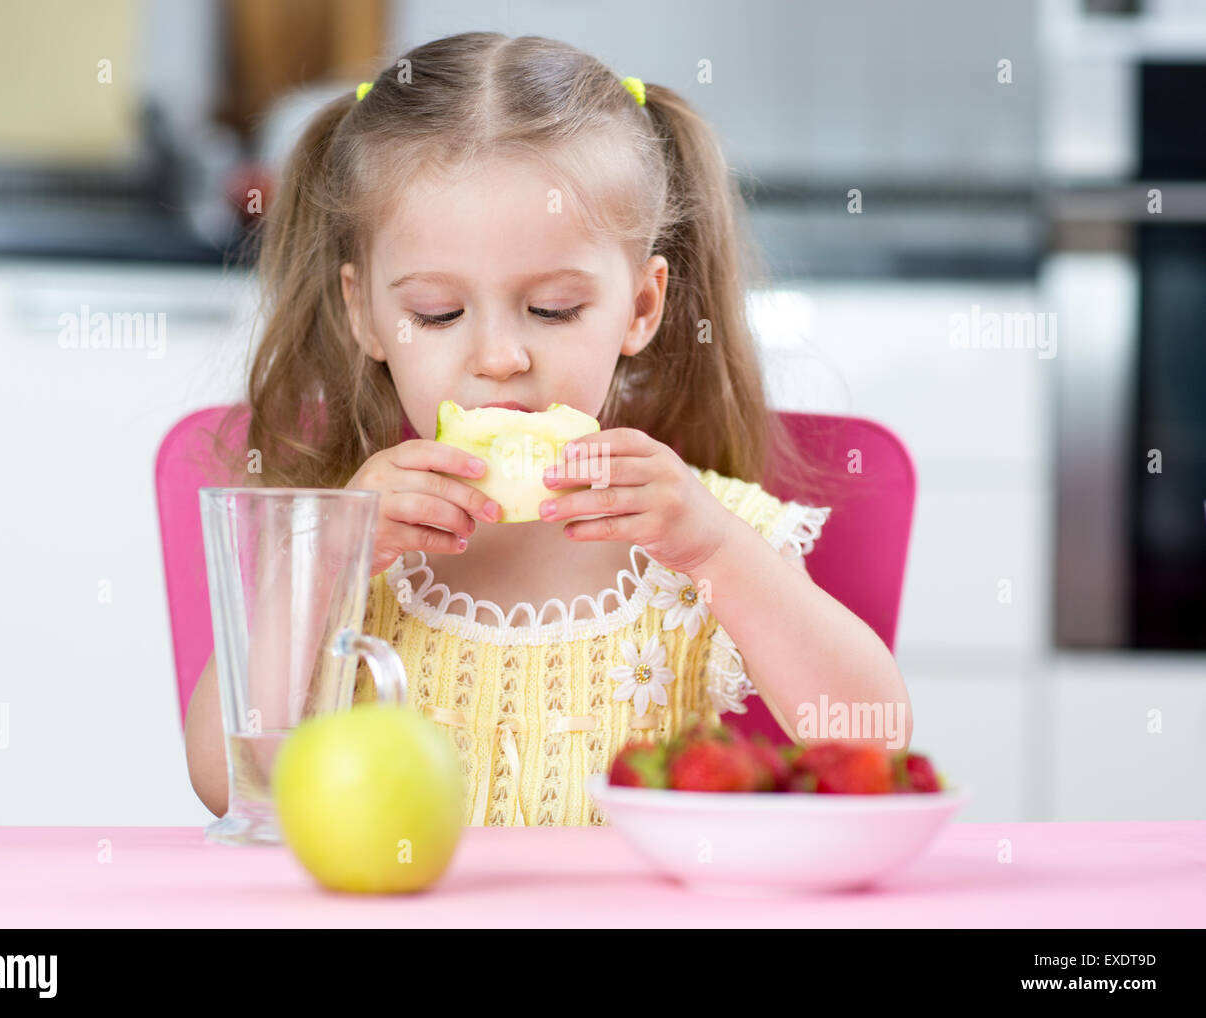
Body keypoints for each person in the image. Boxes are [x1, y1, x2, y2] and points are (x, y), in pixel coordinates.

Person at [185, 31, 911, 826]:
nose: (499, 356)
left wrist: (716, 552)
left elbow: (875, 742)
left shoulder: (700, 532)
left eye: (553, 309)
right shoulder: (347, 539)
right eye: (438, 313)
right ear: (366, 314)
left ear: (640, 306)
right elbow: (230, 782)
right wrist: (325, 562)